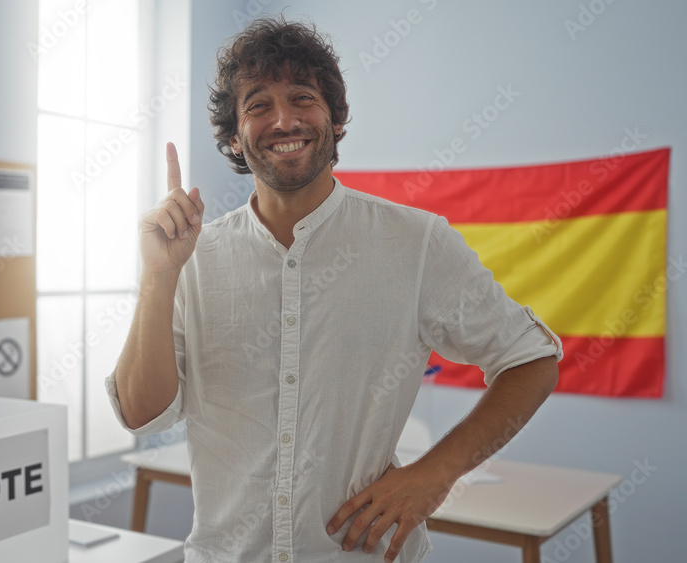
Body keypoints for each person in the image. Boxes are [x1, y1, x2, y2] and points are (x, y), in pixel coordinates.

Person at [106, 17, 562, 563]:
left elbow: (532, 359)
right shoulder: (191, 259)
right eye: (257, 105)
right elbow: (140, 413)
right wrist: (159, 275)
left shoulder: (416, 243)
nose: (283, 119)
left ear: (336, 119)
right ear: (233, 134)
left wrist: (435, 475)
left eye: (303, 97)